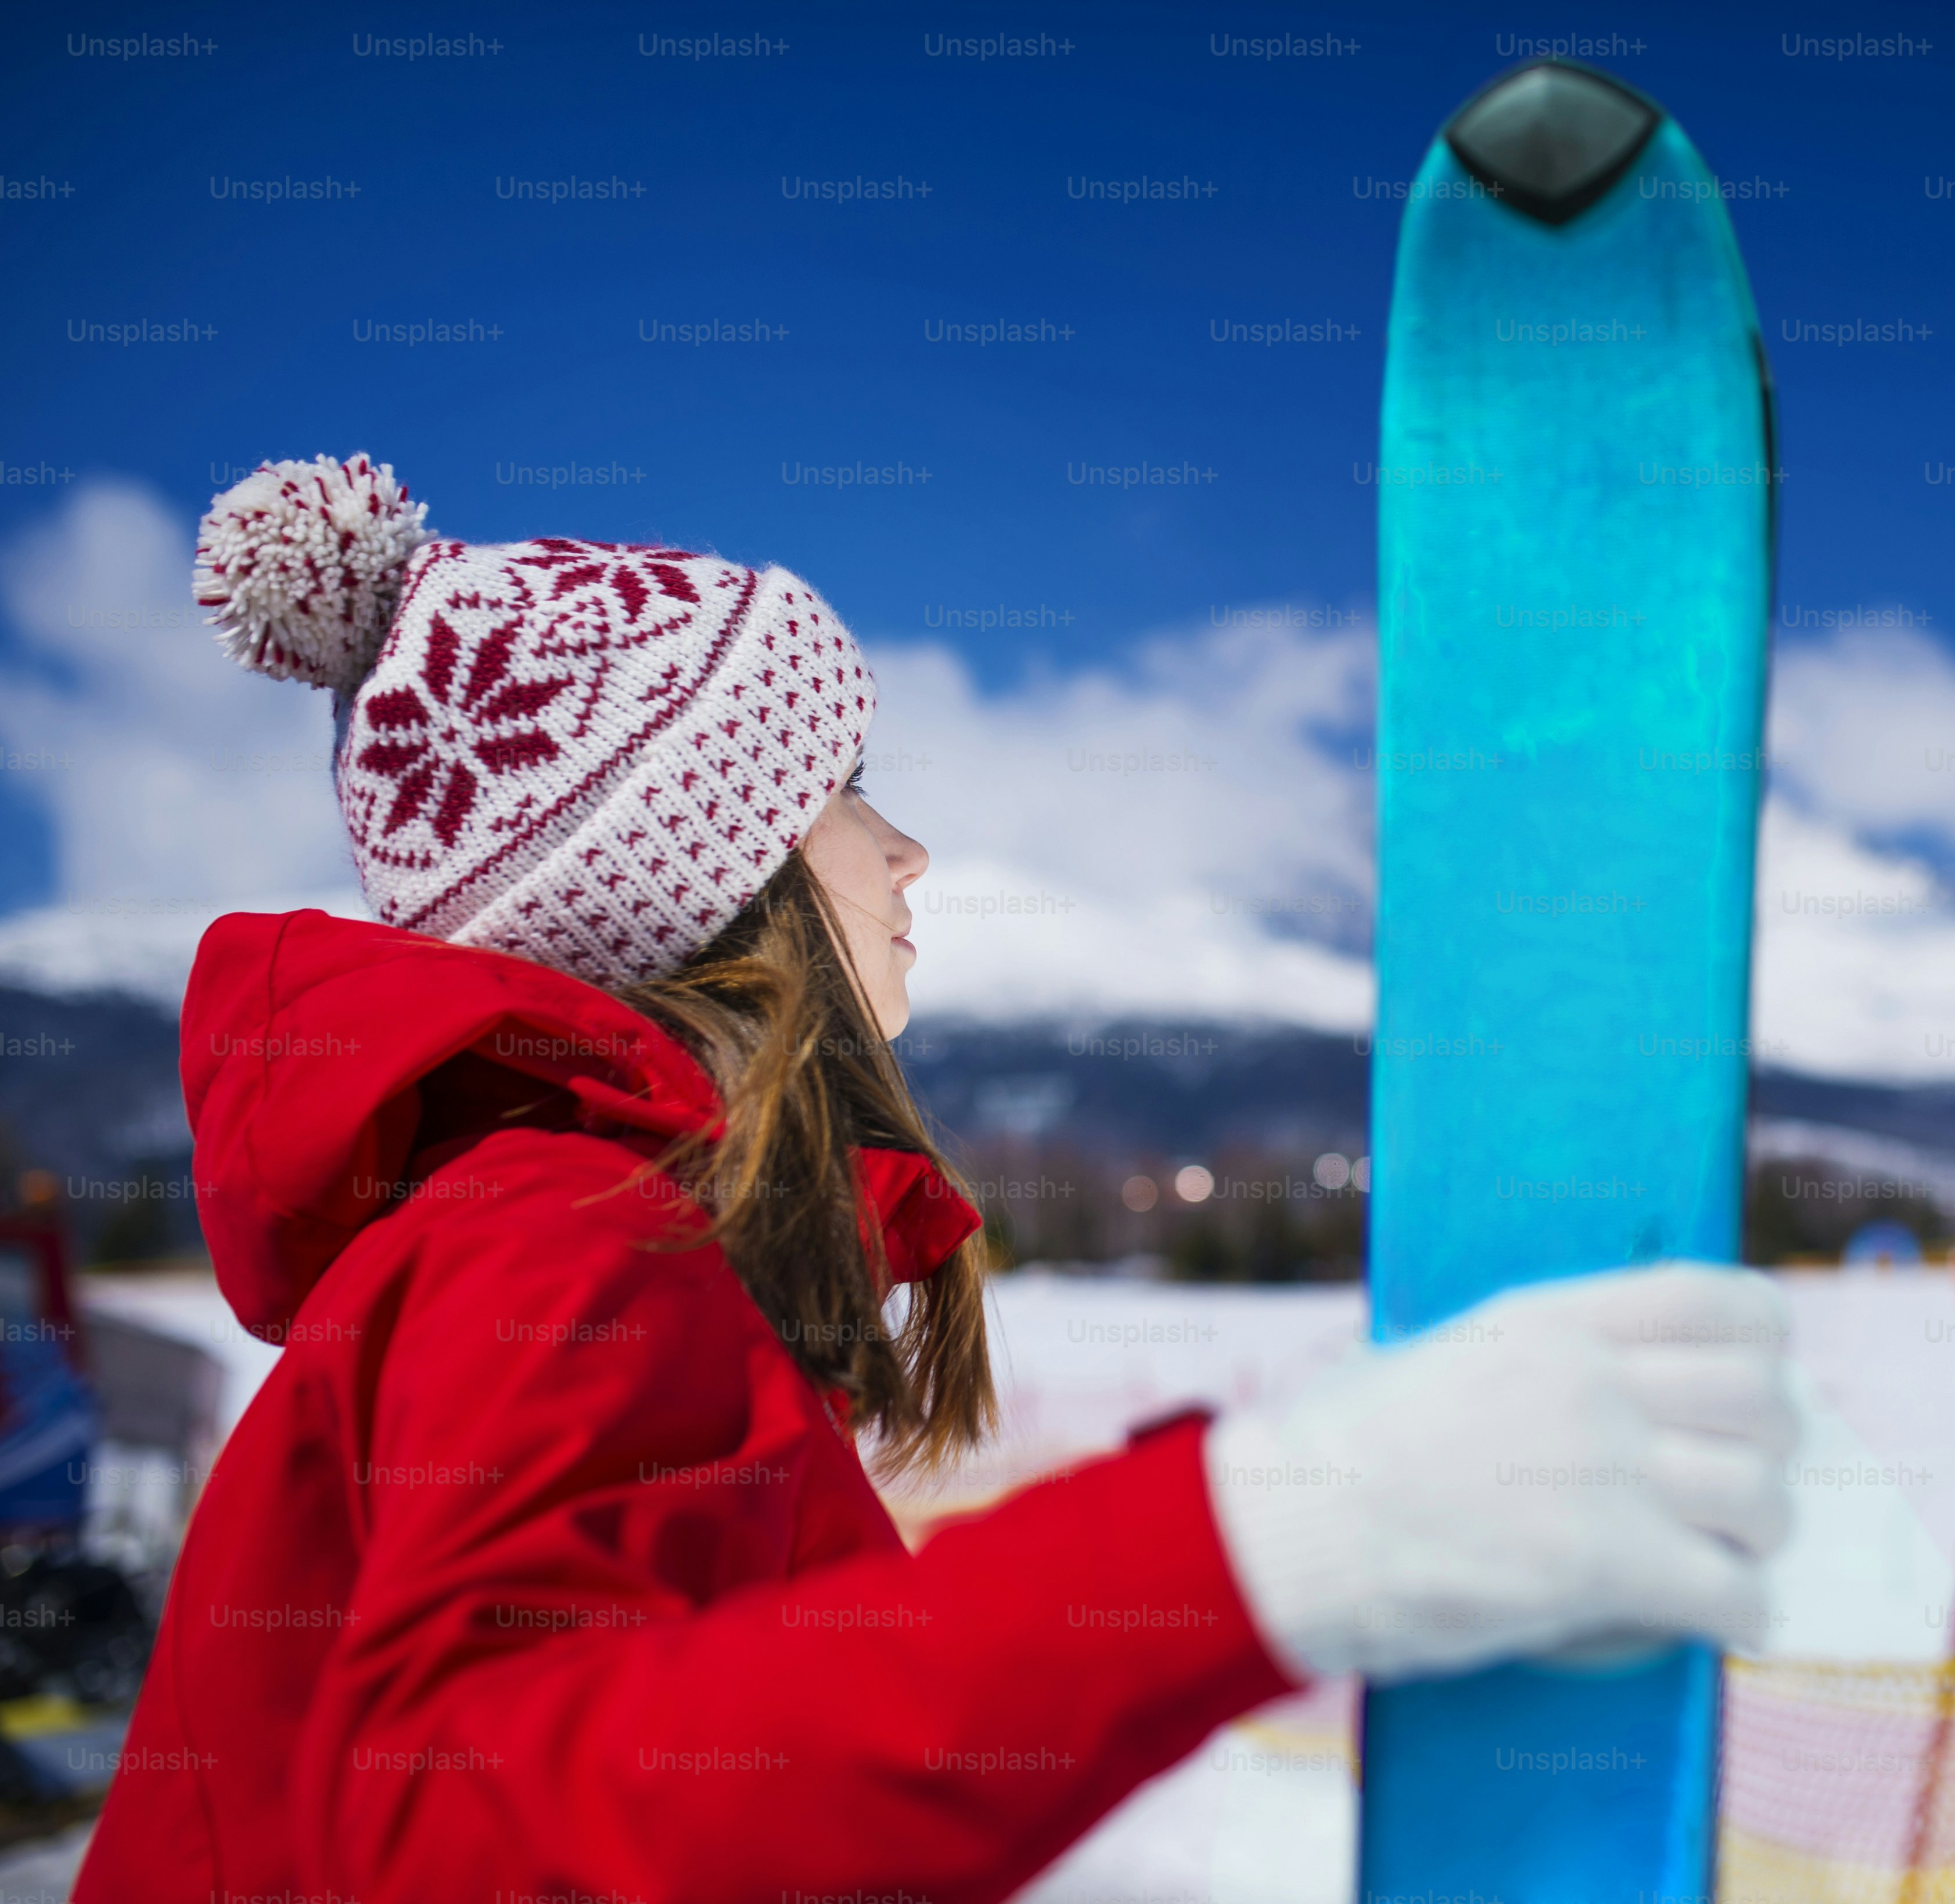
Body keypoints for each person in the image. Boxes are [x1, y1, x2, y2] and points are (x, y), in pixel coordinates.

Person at [74, 456, 1796, 1901]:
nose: (911, 851)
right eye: (843, 795)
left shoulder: (558, 1230)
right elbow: (469, 1835)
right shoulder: (556, 1238)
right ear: (705, 876)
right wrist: (1257, 1539)